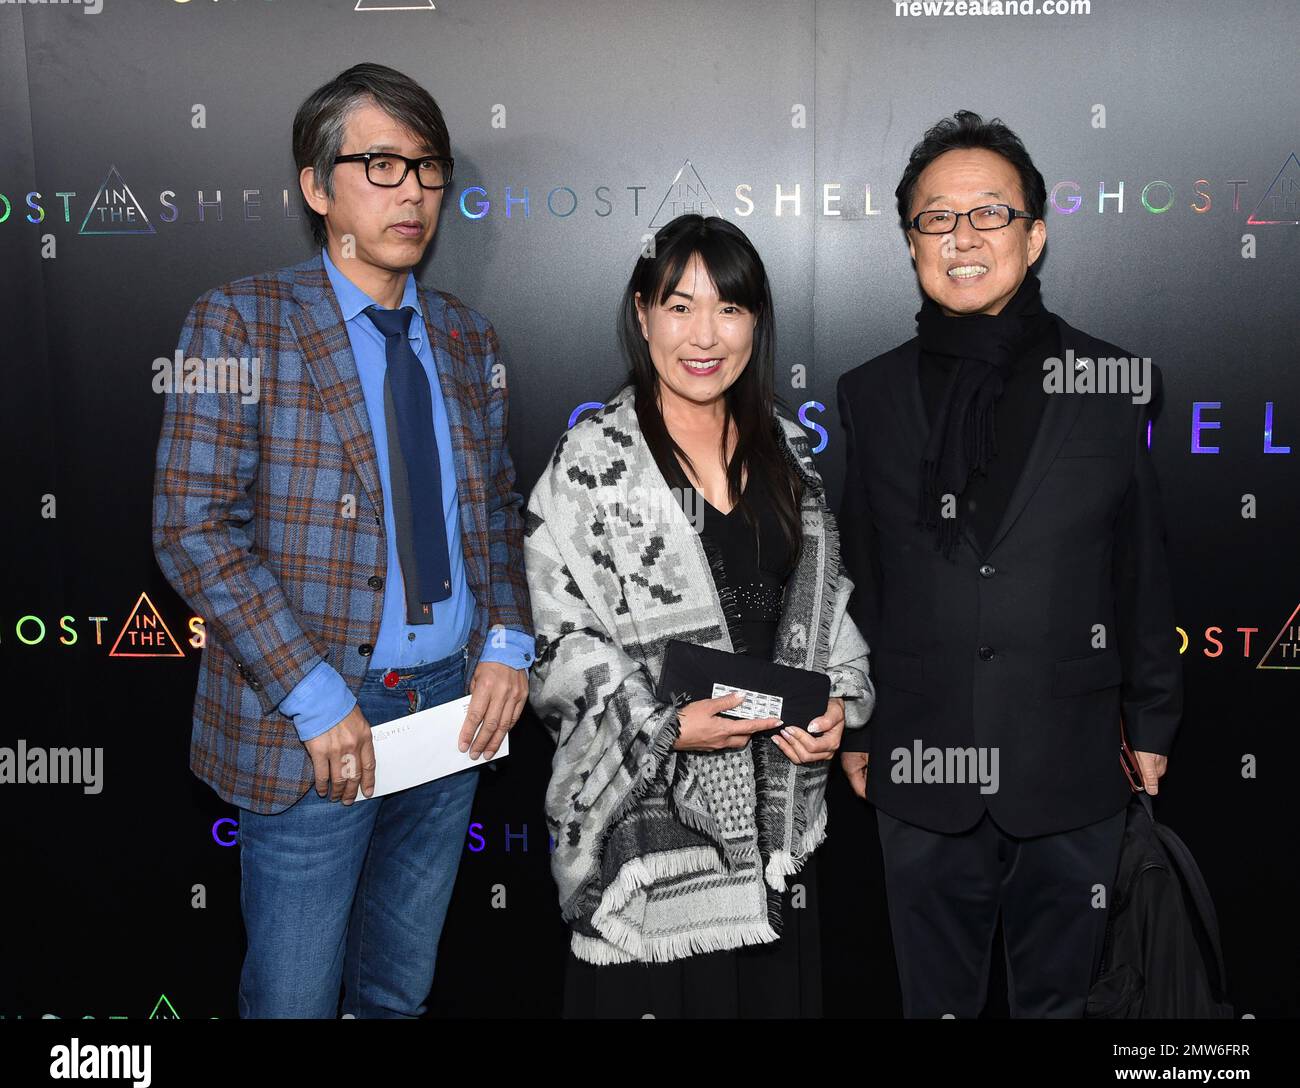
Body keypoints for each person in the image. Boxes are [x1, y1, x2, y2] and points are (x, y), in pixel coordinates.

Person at [151, 63, 534, 1018]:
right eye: (379, 164)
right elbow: (193, 528)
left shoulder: (467, 338)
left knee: (398, 990)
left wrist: (508, 643)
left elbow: (492, 512)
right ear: (317, 188)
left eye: (428, 167)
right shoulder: (240, 321)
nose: (411, 190)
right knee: (292, 1000)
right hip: (313, 721)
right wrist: (316, 698)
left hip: (450, 709)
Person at [836, 110, 1183, 1018]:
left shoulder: (1113, 383)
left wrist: (1151, 721)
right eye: (935, 218)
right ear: (910, 241)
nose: (961, 238)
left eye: (988, 214)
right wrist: (865, 729)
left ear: (1035, 234)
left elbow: (1141, 568)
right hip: (919, 762)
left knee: (1064, 1007)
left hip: (1069, 763)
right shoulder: (870, 393)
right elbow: (860, 578)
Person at [525, 213, 875, 1018]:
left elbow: (828, 610)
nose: (704, 333)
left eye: (730, 308)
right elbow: (557, 639)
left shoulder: (787, 451)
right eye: (679, 306)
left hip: (778, 821)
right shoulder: (591, 462)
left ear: (756, 321)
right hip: (653, 837)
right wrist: (663, 728)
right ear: (641, 312)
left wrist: (837, 705)